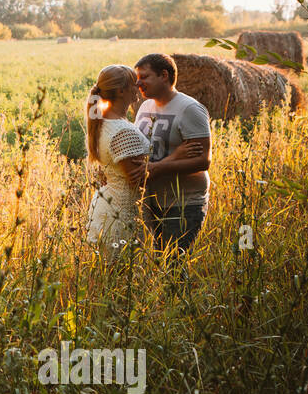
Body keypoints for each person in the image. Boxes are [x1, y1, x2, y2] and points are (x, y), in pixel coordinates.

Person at [133, 53, 212, 254]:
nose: (138, 83)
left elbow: (202, 161)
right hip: (153, 201)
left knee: (174, 263)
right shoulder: (145, 106)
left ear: (164, 76)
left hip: (183, 203)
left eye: (144, 77)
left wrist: (155, 168)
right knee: (159, 261)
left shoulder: (190, 109)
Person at [83, 64, 150, 260]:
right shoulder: (122, 131)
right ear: (121, 91)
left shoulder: (103, 123)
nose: (138, 86)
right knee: (126, 278)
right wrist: (177, 160)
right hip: (123, 210)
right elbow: (138, 179)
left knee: (112, 278)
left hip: (108, 203)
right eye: (133, 83)